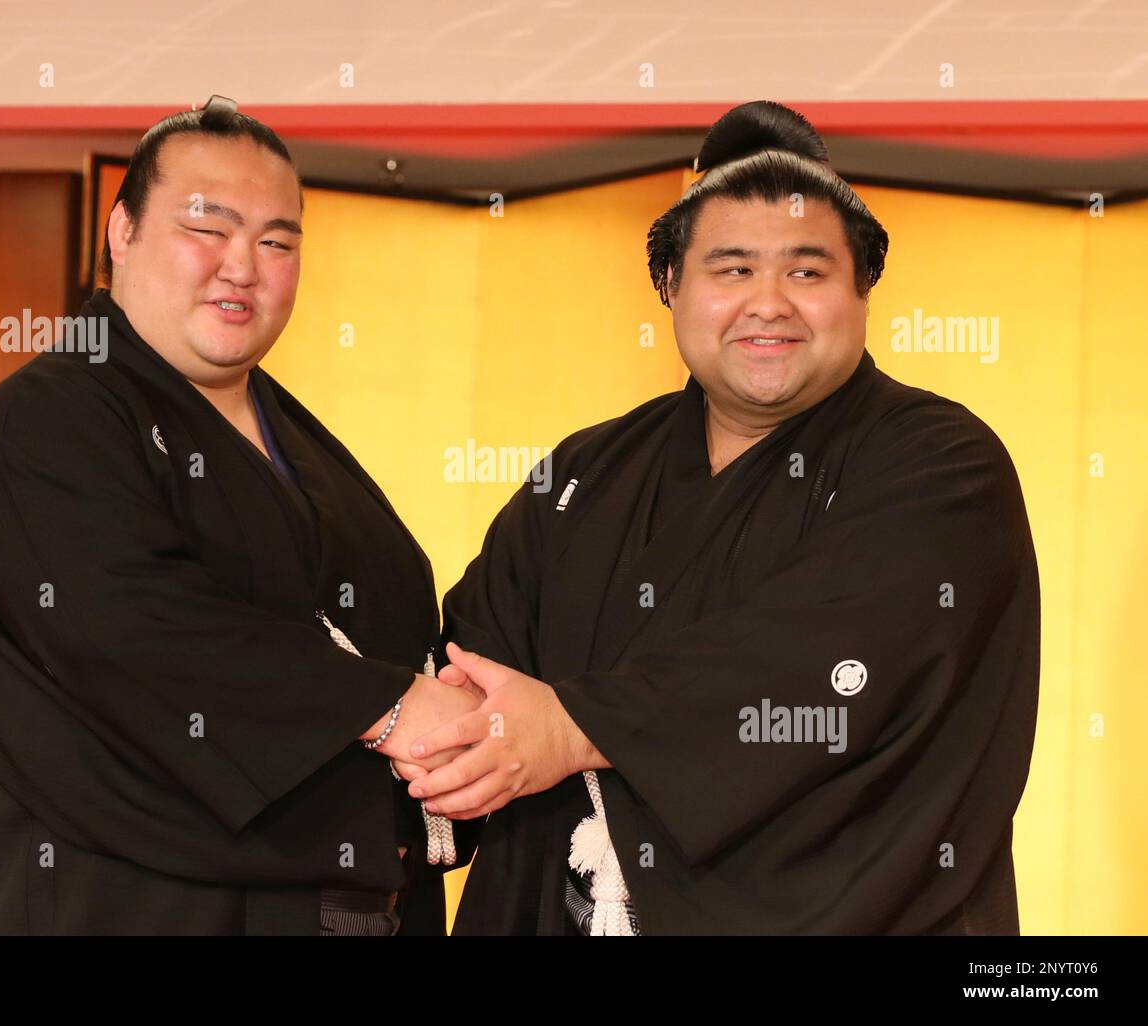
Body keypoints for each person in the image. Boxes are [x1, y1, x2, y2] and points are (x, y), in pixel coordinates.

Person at [399, 100, 1041, 935]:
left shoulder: (941, 462)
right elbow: (474, 663)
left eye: (806, 272)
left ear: (863, 289)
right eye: (732, 270)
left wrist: (575, 725)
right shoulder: (586, 473)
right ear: (670, 286)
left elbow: (823, 660)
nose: (767, 303)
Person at [0, 96, 477, 936]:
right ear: (123, 232)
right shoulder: (45, 422)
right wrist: (390, 706)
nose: (243, 266)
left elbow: (384, 622)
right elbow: (133, 634)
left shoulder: (294, 437)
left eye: (277, 241)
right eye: (207, 229)